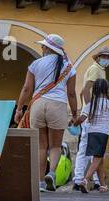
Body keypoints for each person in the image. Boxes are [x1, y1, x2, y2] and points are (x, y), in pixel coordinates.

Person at [12, 33, 78, 192]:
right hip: (58, 106)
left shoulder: (35, 64)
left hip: (38, 105)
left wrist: (20, 109)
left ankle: (40, 182)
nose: (41, 47)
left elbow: (27, 89)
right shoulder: (69, 67)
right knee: (55, 146)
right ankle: (52, 173)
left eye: (43, 46)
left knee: (41, 147)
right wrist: (75, 114)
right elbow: (71, 94)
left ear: (48, 48)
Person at [74, 78, 109, 193]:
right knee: (97, 159)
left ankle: (103, 185)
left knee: (99, 159)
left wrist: (74, 123)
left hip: (91, 133)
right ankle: (85, 180)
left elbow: (82, 118)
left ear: (94, 90)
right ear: (107, 90)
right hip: (102, 134)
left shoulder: (90, 104)